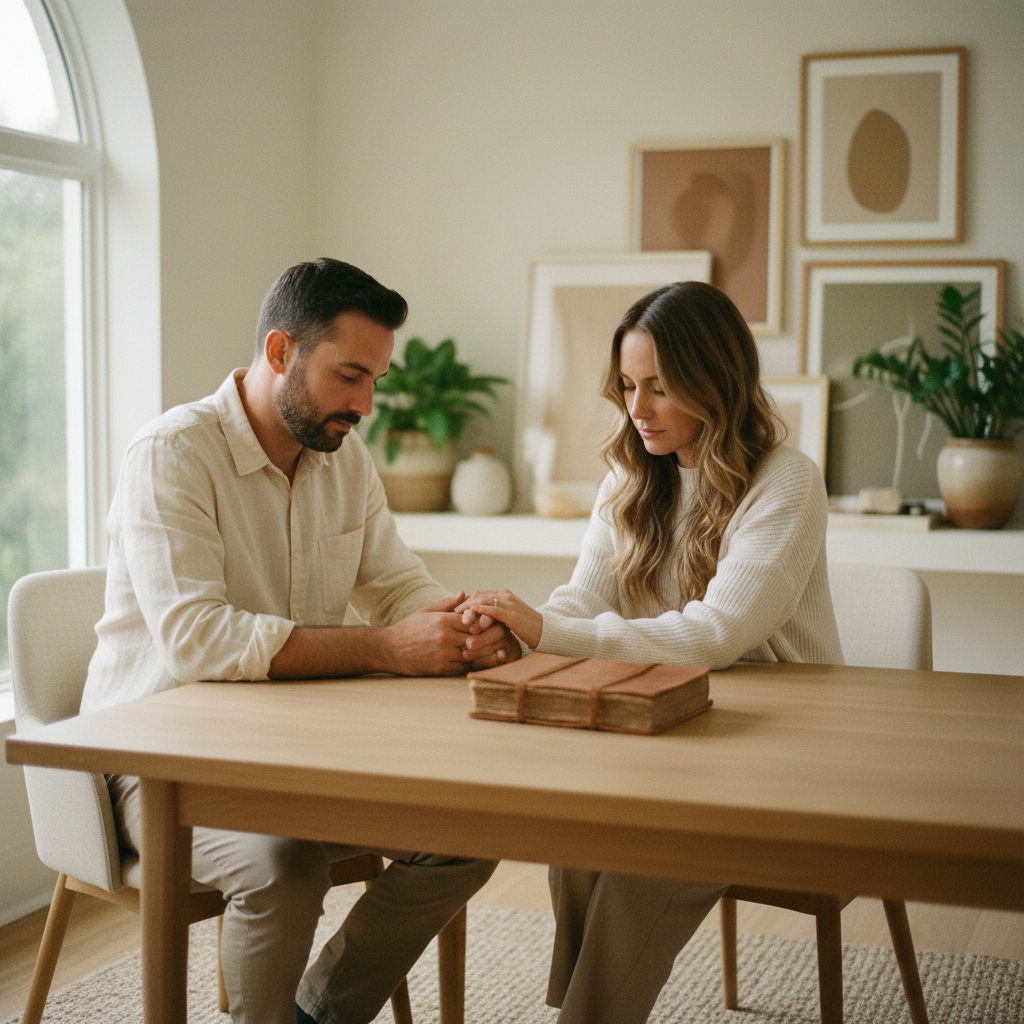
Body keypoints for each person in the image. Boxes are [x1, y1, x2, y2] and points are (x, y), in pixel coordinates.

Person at [80, 258, 519, 1024]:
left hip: (293, 753)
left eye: (376, 380)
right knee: (282, 865)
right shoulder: (172, 455)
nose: (366, 405)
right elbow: (198, 641)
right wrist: (387, 648)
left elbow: (395, 584)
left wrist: (459, 624)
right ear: (280, 351)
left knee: (467, 833)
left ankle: (316, 1015)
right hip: (160, 764)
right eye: (350, 376)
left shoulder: (344, 460)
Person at [458, 280, 843, 1024]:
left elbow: (716, 635)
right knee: (579, 829)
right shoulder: (630, 475)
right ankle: (583, 1010)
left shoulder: (786, 481)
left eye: (661, 387)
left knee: (647, 861)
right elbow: (580, 602)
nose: (638, 408)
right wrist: (517, 627)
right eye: (629, 386)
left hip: (780, 751)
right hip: (670, 730)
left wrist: (543, 629)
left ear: (715, 381)